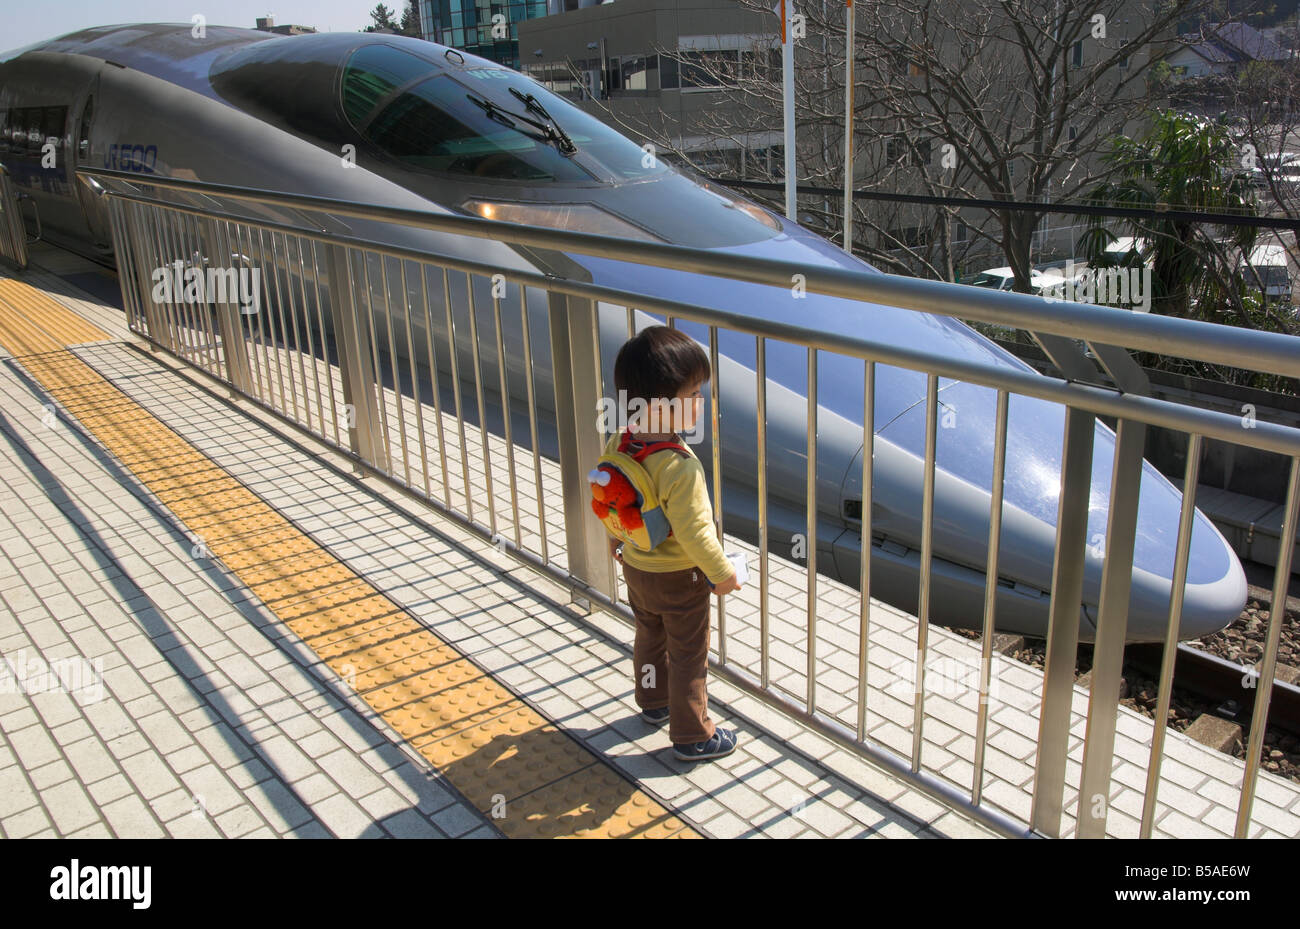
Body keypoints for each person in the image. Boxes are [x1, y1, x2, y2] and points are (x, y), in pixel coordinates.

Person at [603, 325, 742, 762]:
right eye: (694, 394)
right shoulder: (680, 466)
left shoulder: (621, 439)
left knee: (648, 635)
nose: (701, 403)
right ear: (661, 405)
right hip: (681, 578)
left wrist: (615, 538)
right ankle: (693, 735)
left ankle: (653, 702)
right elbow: (695, 532)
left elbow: (611, 493)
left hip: (636, 565)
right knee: (688, 654)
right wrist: (722, 575)